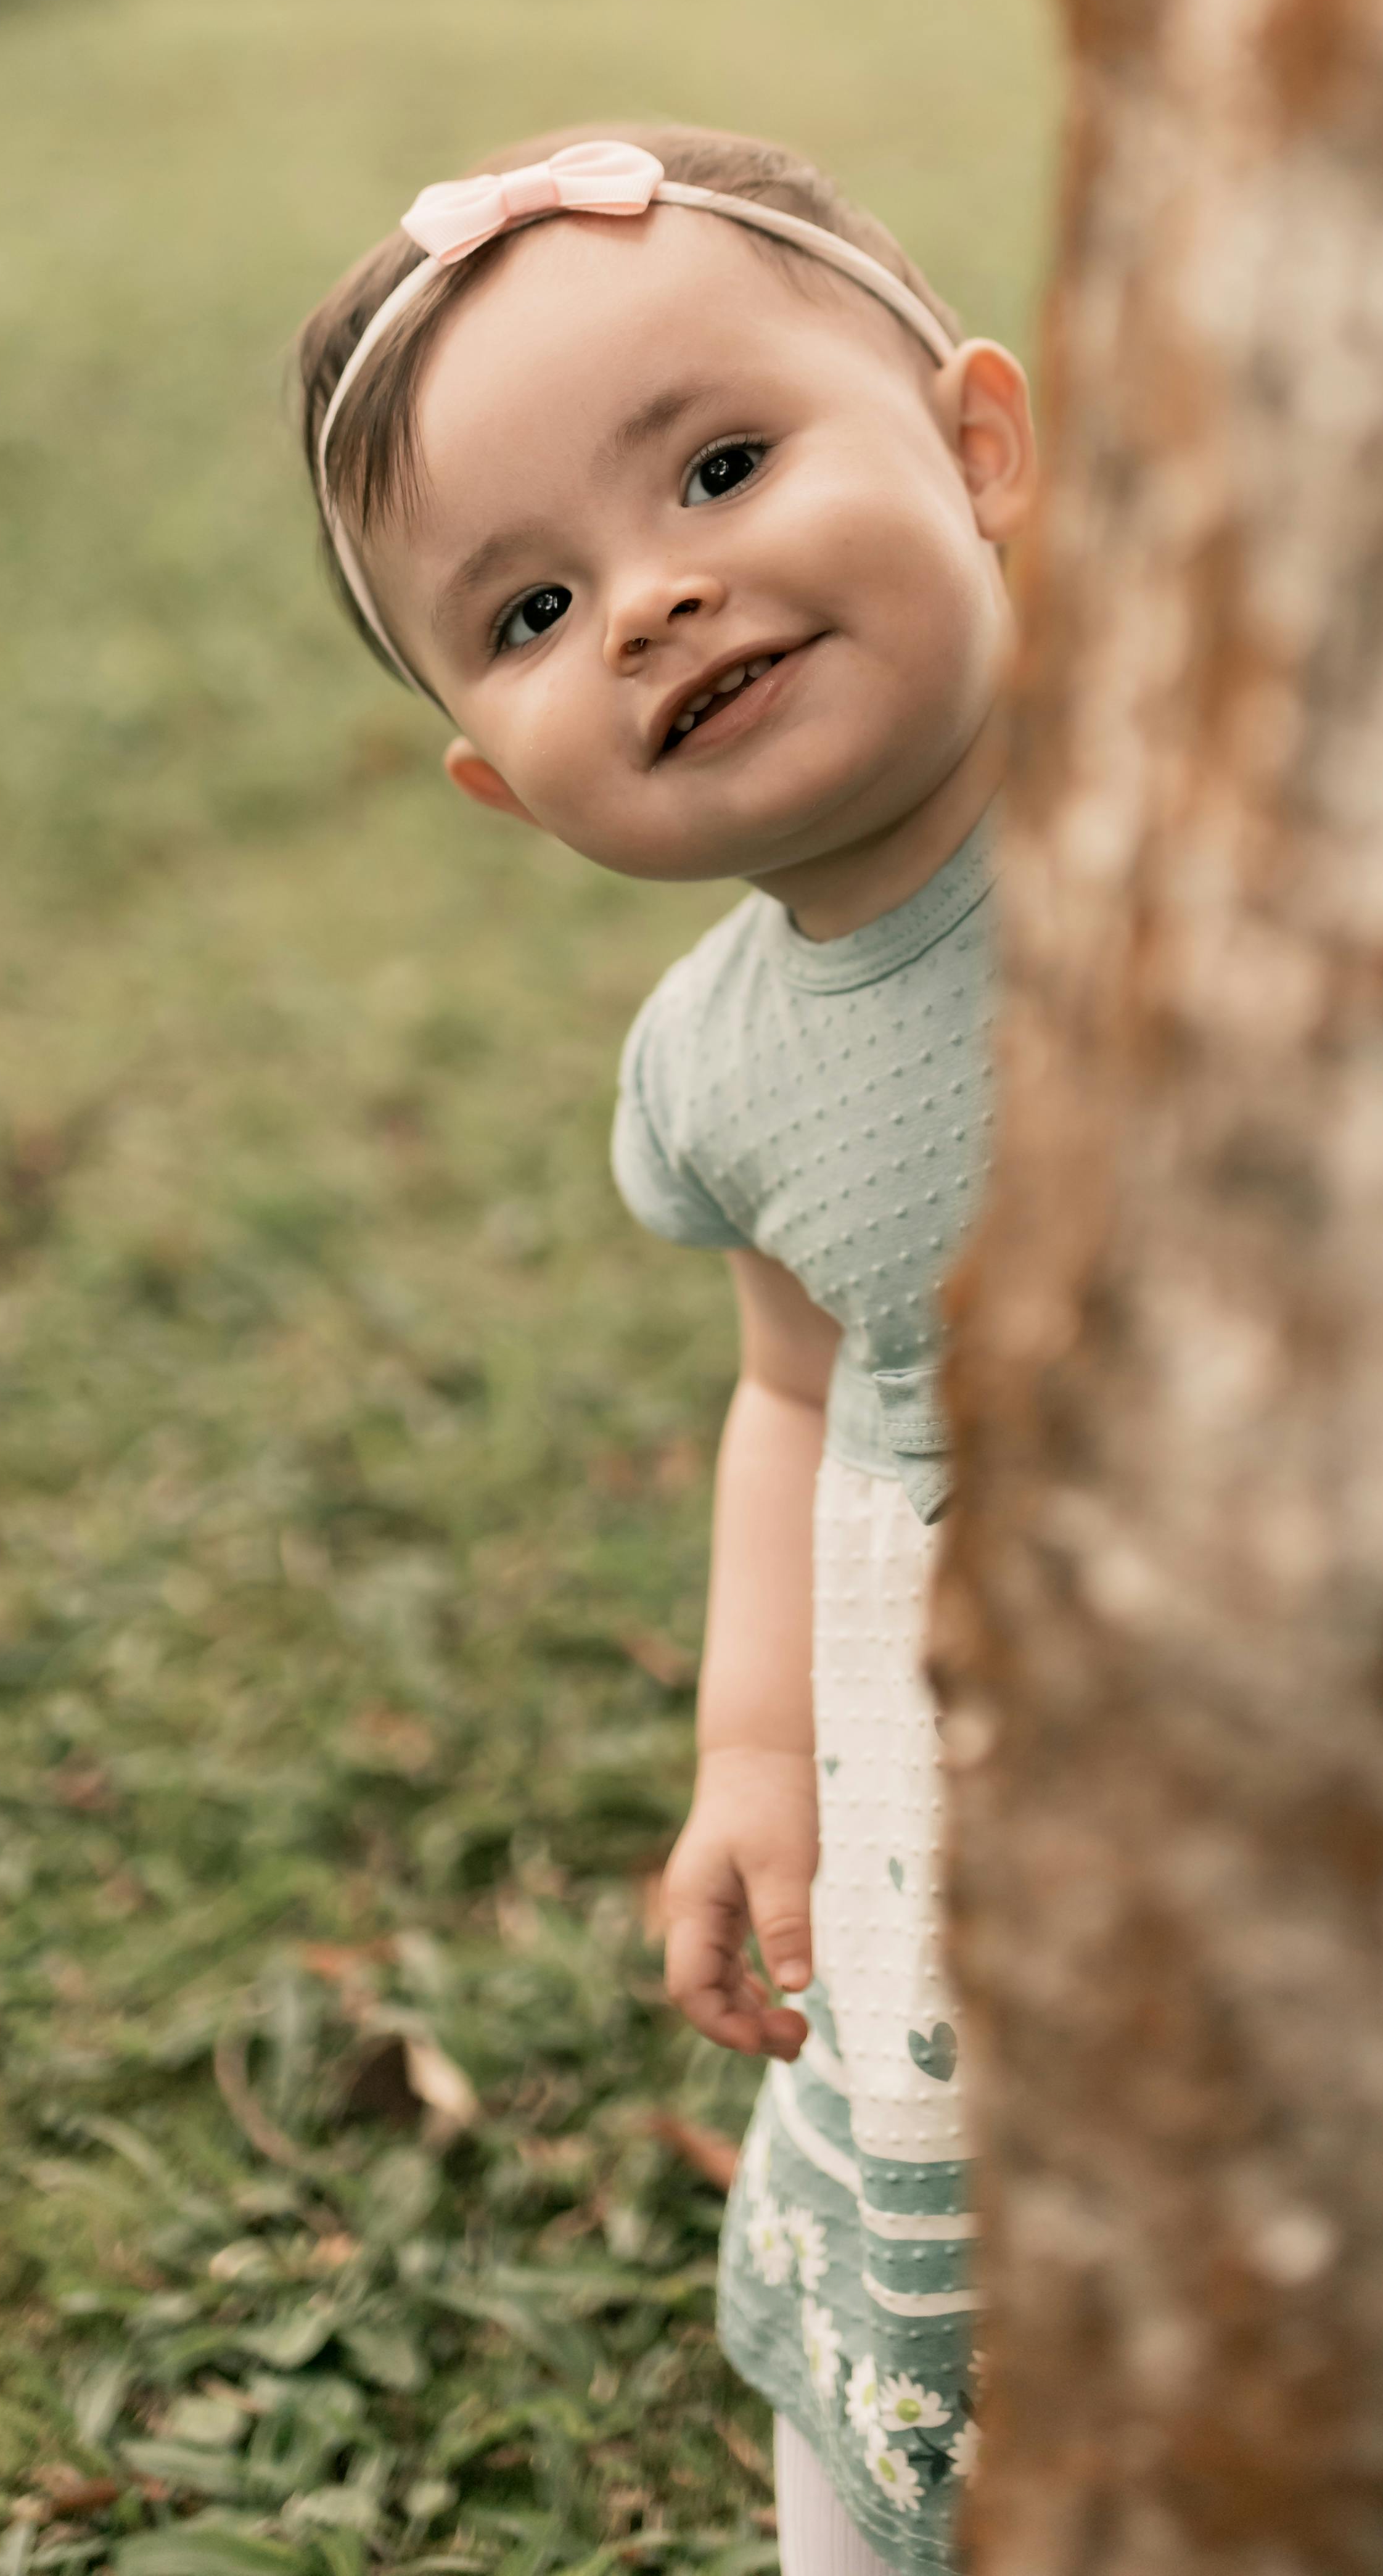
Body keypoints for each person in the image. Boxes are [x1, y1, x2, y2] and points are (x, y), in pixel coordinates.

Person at [294, 124, 1033, 2572]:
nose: (651, 600)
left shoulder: (1217, 812)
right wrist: (751, 1754)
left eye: (721, 467)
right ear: (501, 787)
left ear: (979, 444)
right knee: (941, 2277)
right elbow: (796, 1388)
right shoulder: (715, 1062)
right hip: (952, 1743)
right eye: (523, 609)